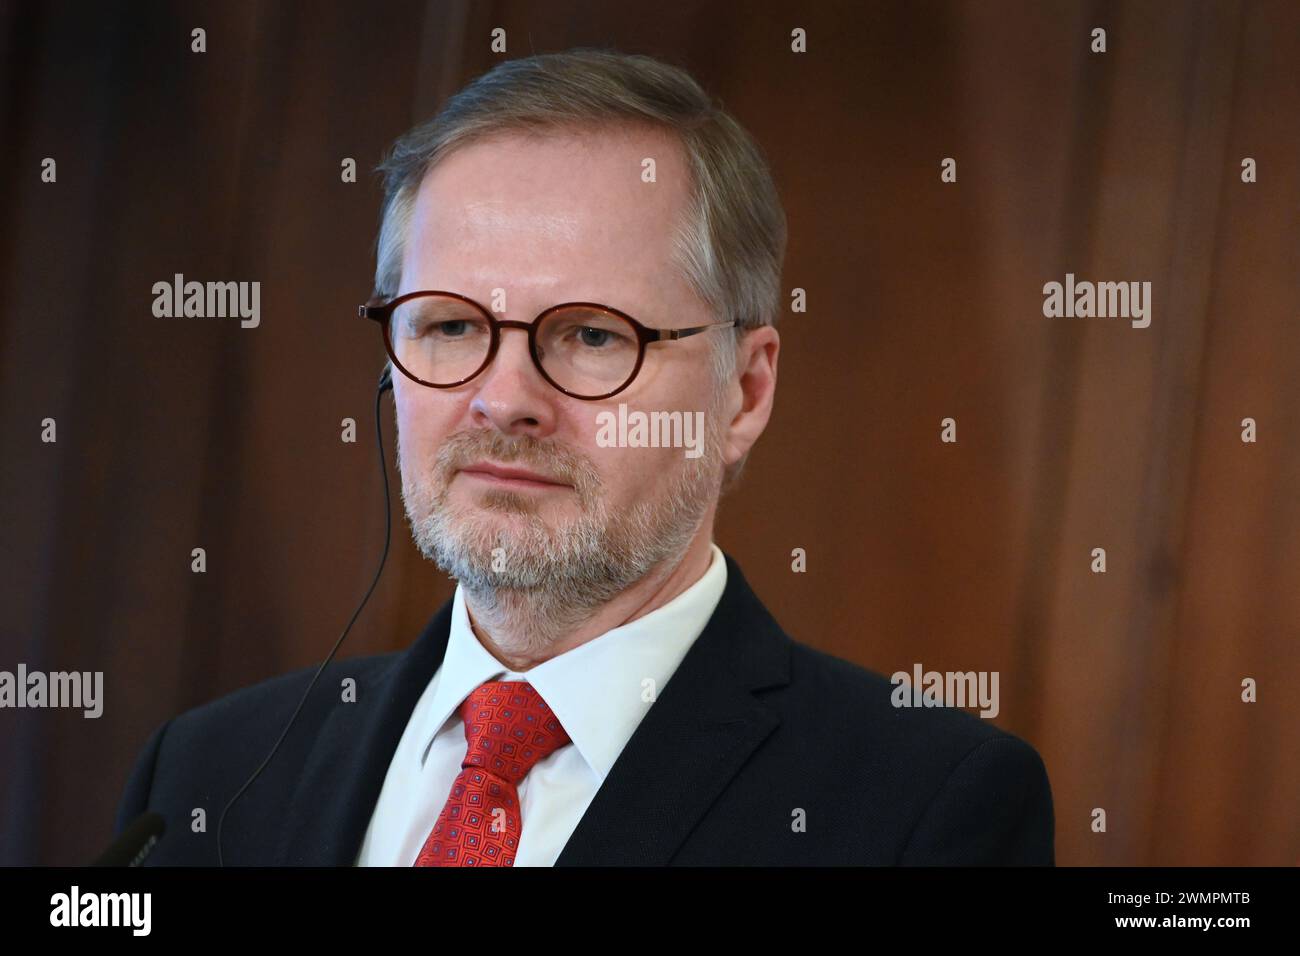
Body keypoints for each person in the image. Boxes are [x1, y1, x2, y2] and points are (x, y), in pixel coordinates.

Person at [114, 48, 1054, 866]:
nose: (508, 400)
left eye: (594, 337)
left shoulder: (922, 808)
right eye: (447, 324)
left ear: (744, 393)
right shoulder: (207, 771)